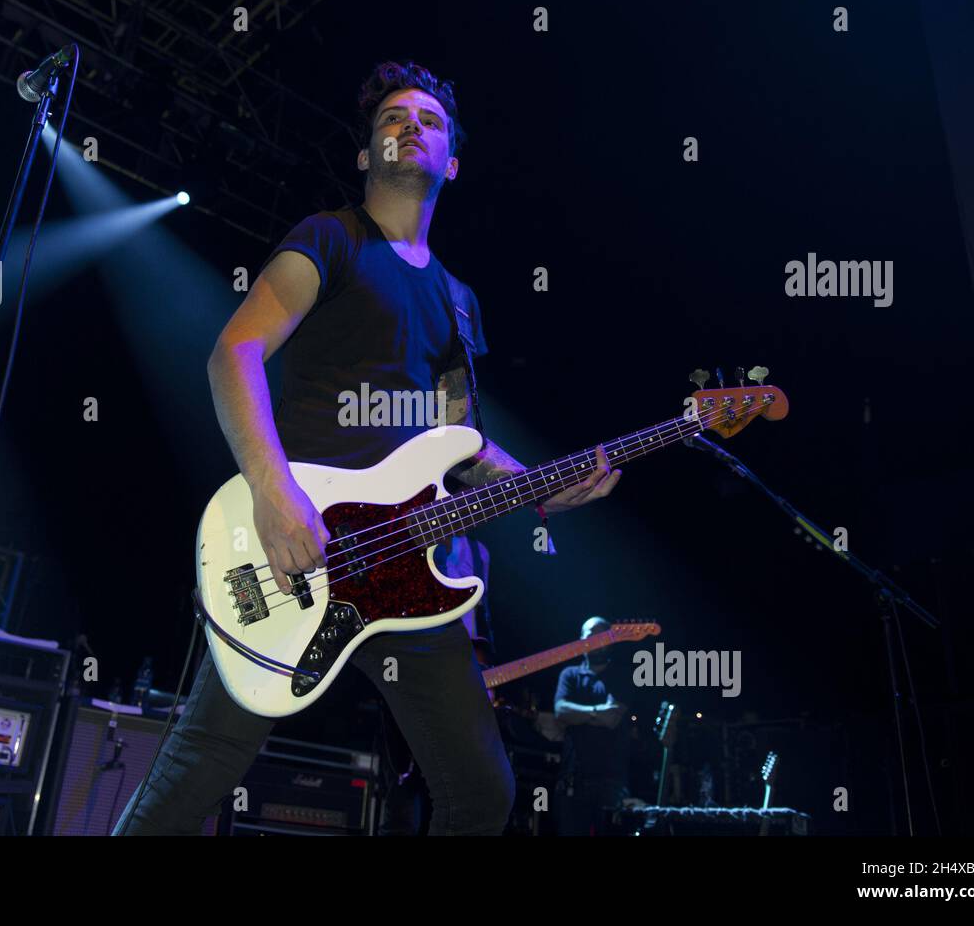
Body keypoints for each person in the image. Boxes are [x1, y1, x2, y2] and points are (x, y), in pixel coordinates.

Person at [114, 61, 621, 836]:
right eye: (391, 116)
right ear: (366, 155)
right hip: (298, 539)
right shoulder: (331, 238)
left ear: (452, 160)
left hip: (405, 574)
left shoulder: (458, 299)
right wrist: (273, 492)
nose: (407, 123)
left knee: (483, 790)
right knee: (204, 762)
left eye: (427, 118)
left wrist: (545, 486)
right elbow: (235, 353)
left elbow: (460, 443)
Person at [554, 617, 631, 835]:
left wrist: (579, 713)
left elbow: (612, 719)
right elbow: (561, 712)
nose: (596, 640)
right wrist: (598, 712)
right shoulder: (569, 675)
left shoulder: (622, 676)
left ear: (611, 640)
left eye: (602, 636)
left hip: (612, 780)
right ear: (581, 640)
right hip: (573, 777)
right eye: (590, 635)